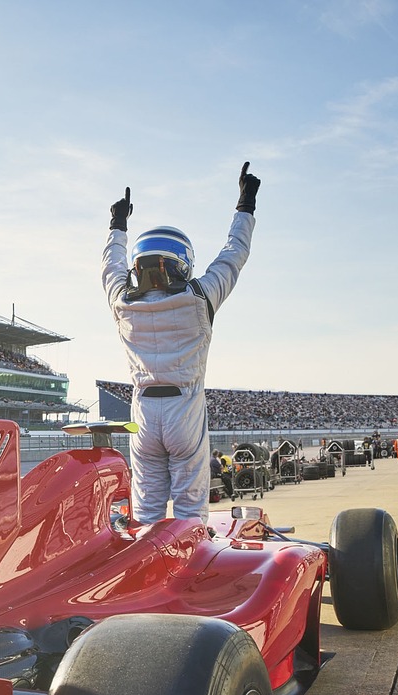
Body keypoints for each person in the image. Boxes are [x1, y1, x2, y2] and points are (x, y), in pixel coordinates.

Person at [103, 163, 260, 524]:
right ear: (183, 264)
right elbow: (234, 254)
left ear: (138, 266)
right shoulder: (200, 297)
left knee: (146, 514)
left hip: (143, 413)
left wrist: (117, 225)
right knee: (190, 515)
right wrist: (246, 203)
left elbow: (110, 266)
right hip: (185, 410)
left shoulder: (122, 303)